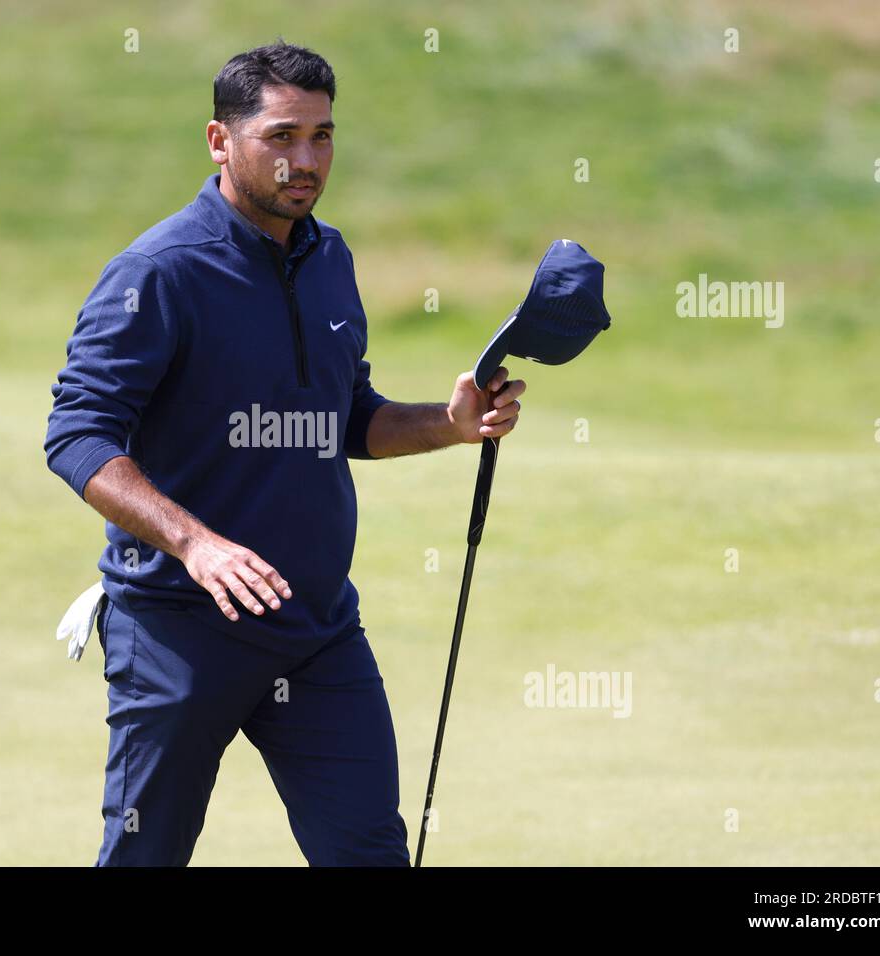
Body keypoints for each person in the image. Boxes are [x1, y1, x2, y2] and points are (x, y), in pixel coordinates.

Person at [44, 40, 524, 866]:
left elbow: (347, 419)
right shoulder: (158, 273)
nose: (306, 161)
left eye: (324, 137)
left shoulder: (329, 257)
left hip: (316, 630)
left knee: (370, 851)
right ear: (220, 141)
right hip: (179, 633)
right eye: (282, 136)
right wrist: (196, 543)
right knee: (144, 854)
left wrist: (452, 424)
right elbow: (77, 434)